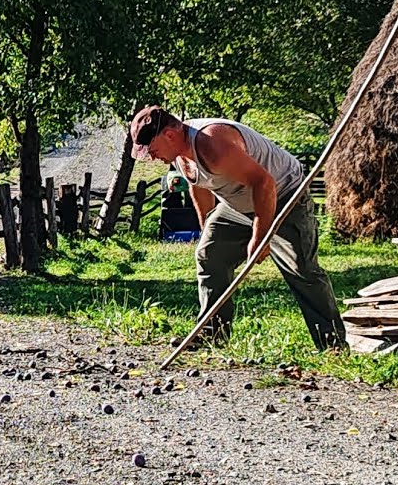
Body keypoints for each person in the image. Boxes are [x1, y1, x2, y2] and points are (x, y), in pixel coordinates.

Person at [129, 105, 346, 351]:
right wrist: (207, 227)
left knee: (301, 268)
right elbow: (198, 185)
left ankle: (332, 344)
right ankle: (212, 334)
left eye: (153, 150)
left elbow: (264, 183)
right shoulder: (178, 153)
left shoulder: (213, 143)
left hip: (284, 194)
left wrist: (260, 237)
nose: (153, 157)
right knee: (210, 254)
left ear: (169, 135)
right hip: (236, 203)